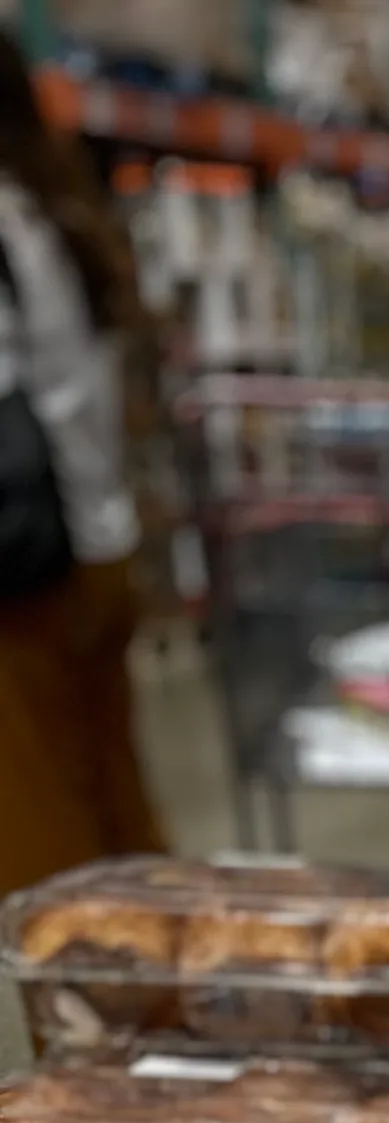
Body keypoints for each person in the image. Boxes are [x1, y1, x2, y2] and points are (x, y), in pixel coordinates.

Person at [0, 37, 157, 896]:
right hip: (99, 545)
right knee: (110, 798)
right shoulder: (50, 206)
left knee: (37, 839)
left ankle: (82, 1008)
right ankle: (158, 996)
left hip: (27, 569)